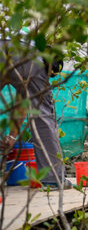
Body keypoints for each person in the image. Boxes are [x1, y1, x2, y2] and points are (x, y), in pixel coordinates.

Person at [0, 39, 69, 188]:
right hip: (24, 55)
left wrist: (11, 136)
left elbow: (22, 105)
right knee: (42, 115)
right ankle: (53, 179)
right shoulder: (36, 59)